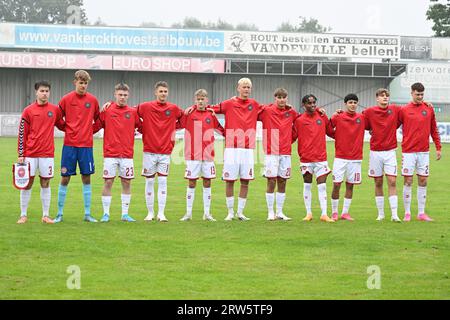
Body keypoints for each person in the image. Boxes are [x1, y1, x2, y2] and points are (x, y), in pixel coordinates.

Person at [210, 78, 262, 221]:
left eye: (248, 87)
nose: (246, 89)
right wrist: (194, 107)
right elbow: (209, 109)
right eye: (244, 87)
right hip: (232, 148)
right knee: (230, 181)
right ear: (238, 88)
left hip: (248, 149)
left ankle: (240, 212)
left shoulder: (255, 105)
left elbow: (271, 110)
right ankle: (230, 212)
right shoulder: (228, 104)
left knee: (245, 181)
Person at [16, 81, 65, 224]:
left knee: (45, 182)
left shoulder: (54, 110)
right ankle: (23, 215)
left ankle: (45, 215)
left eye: (47, 91)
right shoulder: (28, 110)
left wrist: (80, 125)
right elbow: (22, 133)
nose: (45, 94)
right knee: (27, 183)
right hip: (30, 153)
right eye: (42, 91)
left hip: (47, 153)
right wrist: (21, 154)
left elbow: (63, 125)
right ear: (36, 92)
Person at [54, 70, 100, 223]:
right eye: (81, 82)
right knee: (65, 177)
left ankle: (87, 214)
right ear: (75, 82)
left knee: (86, 178)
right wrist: (67, 129)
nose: (83, 86)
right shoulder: (66, 99)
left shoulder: (93, 100)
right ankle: (59, 214)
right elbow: (58, 118)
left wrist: (89, 131)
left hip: (86, 146)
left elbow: (98, 120)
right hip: (69, 145)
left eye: (85, 83)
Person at [93, 83, 142, 223]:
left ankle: (125, 214)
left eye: (125, 95)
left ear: (128, 96)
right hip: (110, 154)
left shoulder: (132, 112)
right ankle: (106, 214)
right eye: (120, 95)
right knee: (108, 181)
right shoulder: (107, 110)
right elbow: (95, 127)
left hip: (127, 155)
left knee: (126, 183)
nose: (122, 97)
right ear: (115, 95)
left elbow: (143, 128)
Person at [138, 81, 184, 222]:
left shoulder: (173, 108)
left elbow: (184, 117)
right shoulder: (145, 106)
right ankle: (150, 213)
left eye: (165, 91)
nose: (163, 94)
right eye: (161, 91)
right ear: (155, 92)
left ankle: (161, 213)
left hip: (165, 152)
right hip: (149, 151)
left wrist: (173, 127)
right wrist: (143, 128)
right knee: (150, 181)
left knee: (163, 181)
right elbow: (130, 112)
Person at [179, 89, 225, 222]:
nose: (200, 101)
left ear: (207, 100)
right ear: (195, 100)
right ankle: (188, 213)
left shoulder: (211, 115)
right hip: (192, 155)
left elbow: (221, 130)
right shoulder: (188, 113)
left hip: (208, 155)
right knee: (192, 182)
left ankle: (207, 213)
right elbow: (176, 125)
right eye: (198, 99)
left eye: (203, 99)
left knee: (207, 181)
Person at [399, 82, 442, 222]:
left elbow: (433, 129)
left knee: (423, 180)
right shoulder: (404, 110)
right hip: (408, 151)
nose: (420, 97)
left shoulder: (429, 109)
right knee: (408, 180)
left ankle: (421, 213)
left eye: (422, 94)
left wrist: (438, 147)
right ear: (411, 93)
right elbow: (392, 125)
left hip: (424, 152)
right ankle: (407, 213)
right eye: (417, 94)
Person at [293, 94, 335, 223]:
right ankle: (308, 213)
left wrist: (337, 116)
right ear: (303, 105)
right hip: (305, 158)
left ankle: (324, 214)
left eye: (314, 103)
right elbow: (292, 137)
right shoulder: (299, 120)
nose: (312, 105)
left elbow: (331, 132)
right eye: (309, 103)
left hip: (321, 158)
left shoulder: (322, 117)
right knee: (307, 185)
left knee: (322, 186)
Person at [258, 88, 297, 221]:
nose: (281, 100)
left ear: (287, 98)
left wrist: (291, 139)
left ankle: (280, 212)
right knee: (271, 180)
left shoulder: (291, 112)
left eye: (284, 97)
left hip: (286, 152)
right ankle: (270, 212)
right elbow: (250, 112)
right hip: (271, 151)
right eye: (279, 97)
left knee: (282, 181)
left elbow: (300, 123)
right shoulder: (267, 111)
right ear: (275, 98)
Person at [363, 89, 402, 222]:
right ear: (377, 98)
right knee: (378, 182)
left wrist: (425, 103)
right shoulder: (369, 112)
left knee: (392, 181)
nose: (385, 98)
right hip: (375, 152)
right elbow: (364, 125)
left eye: (387, 96)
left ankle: (394, 214)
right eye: (382, 96)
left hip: (390, 151)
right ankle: (381, 214)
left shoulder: (395, 110)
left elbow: (407, 113)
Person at [329, 94, 365, 222]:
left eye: (355, 102)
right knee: (336, 185)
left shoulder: (362, 117)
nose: (353, 104)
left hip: (355, 159)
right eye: (350, 102)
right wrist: (337, 136)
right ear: (345, 104)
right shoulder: (338, 117)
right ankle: (334, 212)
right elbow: (328, 129)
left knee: (350, 185)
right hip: (340, 158)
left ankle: (345, 213)